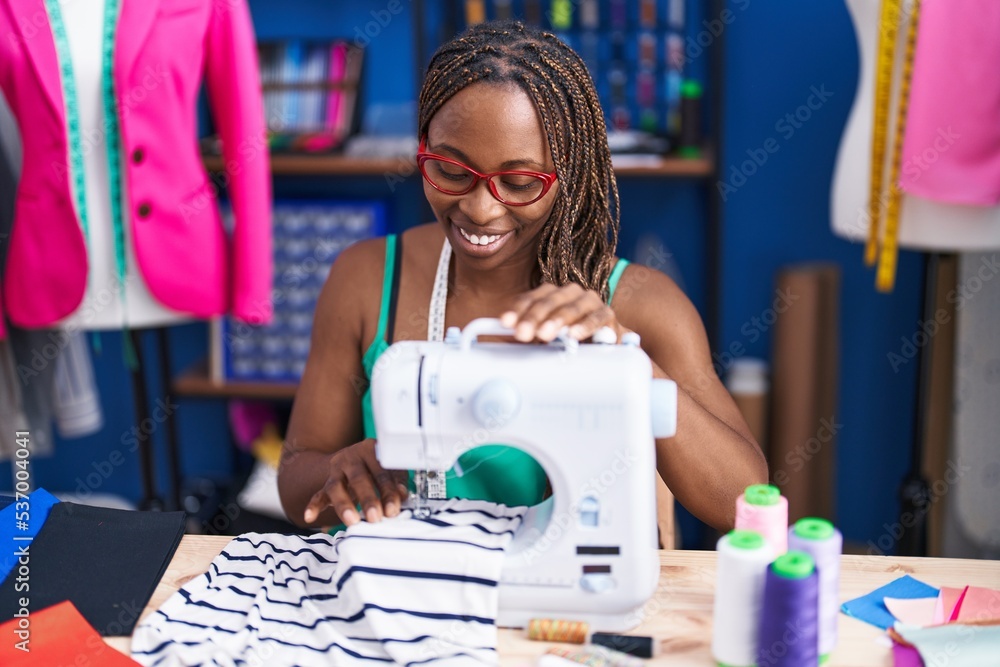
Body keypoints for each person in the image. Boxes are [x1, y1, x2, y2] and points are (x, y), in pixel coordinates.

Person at [279, 20, 767, 533]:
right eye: (450, 170)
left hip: (550, 608)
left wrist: (629, 362)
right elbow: (294, 479)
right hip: (397, 596)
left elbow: (746, 507)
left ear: (570, 174)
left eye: (518, 182)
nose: (480, 209)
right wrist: (340, 473)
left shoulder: (642, 306)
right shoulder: (368, 278)